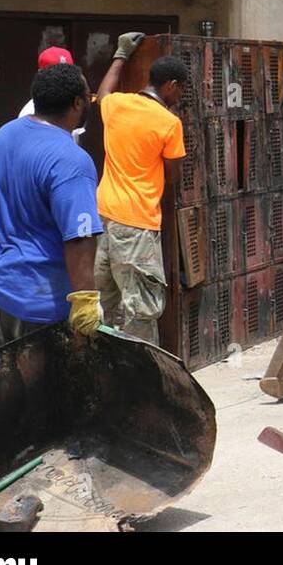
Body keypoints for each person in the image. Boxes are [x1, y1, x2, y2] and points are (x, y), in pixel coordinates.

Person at [0, 63, 104, 349]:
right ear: (77, 103)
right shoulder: (72, 161)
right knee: (48, 389)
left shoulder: (3, 136)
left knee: (6, 381)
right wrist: (85, 302)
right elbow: (79, 237)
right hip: (36, 301)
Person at [93, 32, 187, 343]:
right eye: (180, 90)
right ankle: (141, 374)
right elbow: (172, 176)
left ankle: (102, 366)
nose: (180, 97)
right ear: (170, 85)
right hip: (138, 225)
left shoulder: (117, 105)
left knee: (103, 303)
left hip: (104, 218)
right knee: (142, 308)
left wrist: (121, 54)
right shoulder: (169, 123)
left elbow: (103, 92)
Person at [18, 46, 85, 144]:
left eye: (67, 74)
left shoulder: (72, 107)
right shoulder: (30, 113)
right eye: (56, 75)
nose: (62, 79)